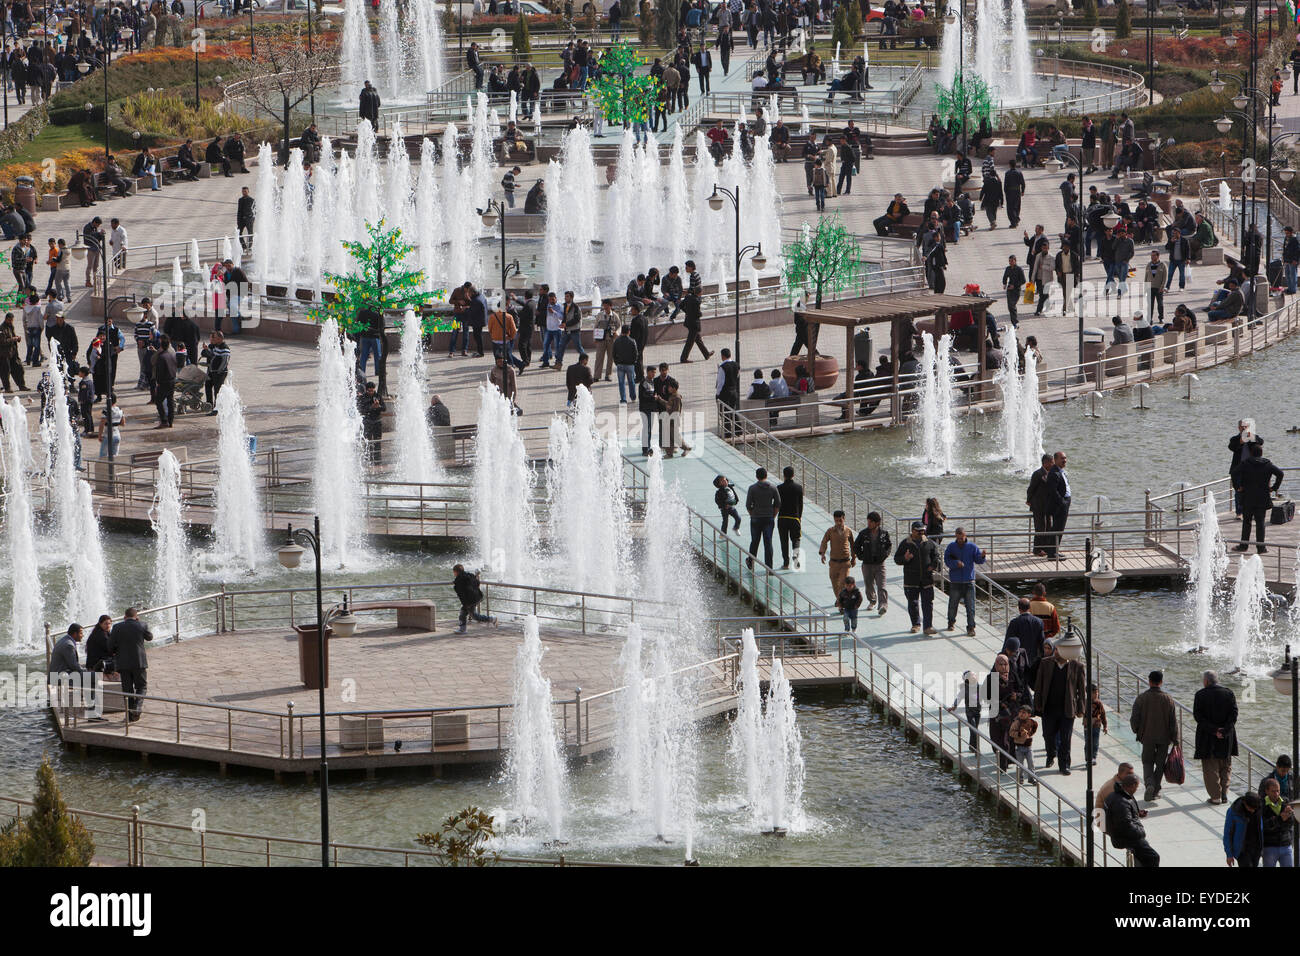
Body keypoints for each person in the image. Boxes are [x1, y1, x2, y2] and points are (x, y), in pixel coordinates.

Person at [1033, 639, 1086, 774]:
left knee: (1065, 739)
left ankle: (1064, 765)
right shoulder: (1045, 664)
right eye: (1055, 649)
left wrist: (1081, 709)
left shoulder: (1077, 667)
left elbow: (1081, 691)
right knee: (1048, 735)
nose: (1055, 652)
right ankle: (1051, 754)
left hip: (1067, 709)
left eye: (1058, 650)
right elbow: (1039, 686)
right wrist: (1037, 704)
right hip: (1049, 708)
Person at [1128, 669, 1179, 802]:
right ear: (1161, 682)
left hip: (1147, 736)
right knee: (1160, 764)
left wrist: (1137, 731)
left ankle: (1149, 783)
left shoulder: (1142, 698)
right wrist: (1175, 739)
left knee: (1147, 762)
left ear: (1149, 681)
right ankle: (1155, 789)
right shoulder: (1168, 699)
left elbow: (1134, 719)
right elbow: (1173, 722)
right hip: (1164, 737)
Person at [1194, 670, 1238, 805]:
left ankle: (1215, 796)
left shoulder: (1200, 695)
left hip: (1207, 737)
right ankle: (1224, 794)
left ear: (1206, 681)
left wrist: (1214, 730)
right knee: (1226, 766)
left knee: (1210, 767)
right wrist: (1224, 730)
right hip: (1227, 737)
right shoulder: (1229, 693)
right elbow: (1234, 714)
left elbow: (1198, 717)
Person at [1233, 443, 1283, 553]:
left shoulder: (1245, 463)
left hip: (1248, 498)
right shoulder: (1268, 464)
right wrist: (1274, 488)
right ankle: (1261, 548)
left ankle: (1244, 546)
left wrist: (1238, 487)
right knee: (1260, 523)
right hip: (1262, 498)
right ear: (1261, 454)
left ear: (1251, 453)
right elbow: (1280, 474)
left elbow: (1234, 473)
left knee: (1247, 522)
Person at [1105, 773, 1160, 867]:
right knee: (1153, 857)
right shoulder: (1121, 801)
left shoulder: (1119, 795)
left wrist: (1137, 813)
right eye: (1137, 787)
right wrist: (1141, 832)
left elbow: (1125, 815)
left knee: (1145, 858)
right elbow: (1126, 824)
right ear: (1133, 785)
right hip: (1125, 838)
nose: (1137, 789)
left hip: (1123, 835)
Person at [107, 607, 152, 722]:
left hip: (123, 663)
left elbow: (110, 646)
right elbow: (150, 637)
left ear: (124, 617)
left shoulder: (117, 627)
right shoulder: (142, 625)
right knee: (141, 686)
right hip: (139, 662)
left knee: (127, 690)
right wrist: (139, 623)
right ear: (136, 616)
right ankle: (137, 707)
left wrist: (117, 650)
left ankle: (130, 715)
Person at [895, 521, 939, 634]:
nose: (921, 533)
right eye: (919, 531)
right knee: (912, 603)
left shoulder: (929, 543)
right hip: (911, 580)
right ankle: (915, 624)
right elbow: (897, 559)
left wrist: (933, 566)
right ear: (912, 531)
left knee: (928, 603)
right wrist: (905, 558)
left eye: (922, 531)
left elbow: (936, 557)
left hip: (927, 579)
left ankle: (928, 627)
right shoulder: (905, 543)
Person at [942, 527, 985, 636]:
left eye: (962, 538)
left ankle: (971, 627)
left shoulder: (972, 547)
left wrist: (982, 556)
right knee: (953, 604)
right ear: (956, 536)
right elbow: (947, 560)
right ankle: (951, 622)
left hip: (969, 581)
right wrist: (956, 563)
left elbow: (978, 560)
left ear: (965, 536)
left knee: (970, 606)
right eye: (958, 538)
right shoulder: (951, 547)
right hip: (955, 581)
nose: (960, 540)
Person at [851, 511, 891, 615]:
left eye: (871, 522)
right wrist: (861, 556)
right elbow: (856, 546)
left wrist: (885, 555)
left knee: (881, 585)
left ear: (877, 523)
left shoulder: (884, 534)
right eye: (868, 521)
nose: (868, 524)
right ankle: (872, 600)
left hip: (880, 564)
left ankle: (883, 605)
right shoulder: (863, 533)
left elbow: (889, 545)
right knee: (868, 585)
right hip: (867, 564)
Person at [745, 466, 781, 570]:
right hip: (769, 518)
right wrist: (773, 515)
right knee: (768, 542)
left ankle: (751, 562)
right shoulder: (773, 488)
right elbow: (778, 504)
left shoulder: (752, 488)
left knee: (755, 541)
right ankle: (769, 567)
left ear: (756, 476)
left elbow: (748, 505)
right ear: (766, 475)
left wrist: (753, 514)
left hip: (756, 518)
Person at [818, 510, 856, 601]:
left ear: (844, 519)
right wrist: (822, 553)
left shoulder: (848, 531)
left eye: (840, 520)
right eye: (836, 521)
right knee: (834, 583)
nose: (838, 523)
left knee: (842, 583)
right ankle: (839, 599)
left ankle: (841, 603)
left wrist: (854, 558)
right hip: (834, 562)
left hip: (845, 562)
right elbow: (824, 542)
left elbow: (853, 545)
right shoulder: (830, 531)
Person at [773, 465, 804, 571]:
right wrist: (799, 517)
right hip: (794, 518)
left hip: (782, 518)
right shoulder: (799, 488)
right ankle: (796, 557)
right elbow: (801, 505)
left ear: (784, 475)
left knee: (784, 541)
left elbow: (776, 504)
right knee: (796, 539)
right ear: (793, 475)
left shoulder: (779, 488)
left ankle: (786, 563)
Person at [451, 564, 497, 634]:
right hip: (477, 597)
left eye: (454, 572)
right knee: (463, 613)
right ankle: (462, 629)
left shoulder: (458, 582)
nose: (453, 574)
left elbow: (461, 595)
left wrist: (466, 604)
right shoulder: (469, 575)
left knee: (474, 616)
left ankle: (492, 619)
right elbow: (477, 583)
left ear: (456, 572)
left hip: (470, 601)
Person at [1260, 776, 1295, 867]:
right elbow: (1265, 826)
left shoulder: (1285, 802)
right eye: (1273, 791)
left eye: (1278, 791)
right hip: (1270, 846)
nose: (1276, 794)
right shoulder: (1262, 805)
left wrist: (1290, 815)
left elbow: (1290, 823)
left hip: (1286, 844)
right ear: (1266, 791)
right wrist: (1280, 819)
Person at [1223, 791, 1263, 868]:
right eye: (1250, 808)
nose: (1253, 811)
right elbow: (1227, 834)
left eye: (1255, 808)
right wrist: (1229, 854)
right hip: (1242, 850)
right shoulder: (1233, 812)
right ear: (1244, 803)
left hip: (1256, 848)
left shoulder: (1258, 807)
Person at [1008, 704, 1038, 786]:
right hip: (1019, 747)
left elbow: (1035, 726)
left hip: (1029, 747)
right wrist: (1019, 734)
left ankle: (1032, 778)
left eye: (1024, 713)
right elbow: (1011, 732)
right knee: (1020, 765)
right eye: (1020, 712)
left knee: (1031, 763)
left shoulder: (1031, 722)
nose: (1021, 714)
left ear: (1029, 714)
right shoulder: (1016, 722)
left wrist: (1030, 733)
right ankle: (1020, 778)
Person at [237, 186, 255, 253]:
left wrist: (252, 219)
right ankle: (244, 246)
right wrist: (238, 221)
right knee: (239, 233)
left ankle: (250, 247)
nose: (244, 193)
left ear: (248, 191)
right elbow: (239, 211)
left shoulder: (251, 200)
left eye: (245, 191)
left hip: (249, 219)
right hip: (241, 219)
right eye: (243, 191)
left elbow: (255, 210)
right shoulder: (240, 200)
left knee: (250, 233)